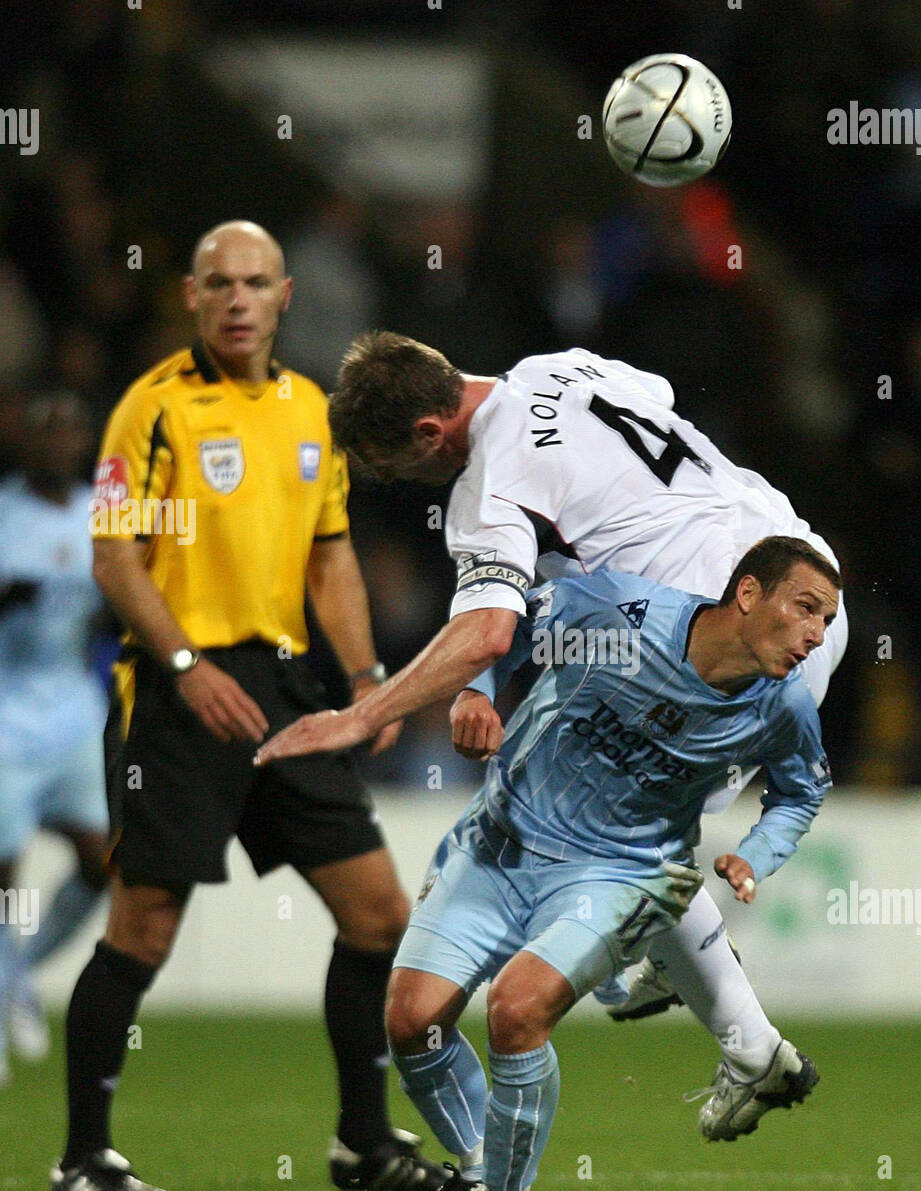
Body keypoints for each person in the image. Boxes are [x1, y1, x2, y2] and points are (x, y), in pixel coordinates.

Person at [255, 335, 849, 1128]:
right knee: (635, 834)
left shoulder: (488, 489)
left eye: (393, 468)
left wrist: (361, 714)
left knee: (597, 827)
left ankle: (725, 1025)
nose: (397, 484)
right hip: (799, 584)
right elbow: (652, 407)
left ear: (430, 433)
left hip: (719, 638)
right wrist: (477, 681)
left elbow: (492, 629)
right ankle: (716, 1011)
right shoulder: (558, 367)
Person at [52, 222, 444, 1191]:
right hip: (177, 697)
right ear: (191, 295)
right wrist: (185, 663)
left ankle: (363, 1139)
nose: (237, 298)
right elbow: (115, 557)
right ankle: (85, 1154)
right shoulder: (149, 410)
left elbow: (332, 553)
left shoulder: (312, 408)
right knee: (143, 926)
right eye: (220, 282)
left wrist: (366, 680)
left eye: (255, 282)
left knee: (378, 914)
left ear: (285, 295)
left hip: (286, 694)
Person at [387, 536, 839, 1191]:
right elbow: (501, 627)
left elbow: (799, 792)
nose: (817, 635)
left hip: (622, 872)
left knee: (516, 1006)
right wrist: (473, 690)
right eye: (806, 609)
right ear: (748, 594)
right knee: (412, 1022)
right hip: (503, 840)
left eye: (827, 620)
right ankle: (475, 1176)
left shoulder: (782, 705)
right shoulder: (618, 613)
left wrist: (753, 856)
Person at [0, 394, 109, 1083]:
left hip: (74, 710)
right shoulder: (5, 515)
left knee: (106, 862)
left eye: (69, 429)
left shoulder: (100, 515)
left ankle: (17, 977)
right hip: (7, 714)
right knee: (5, 878)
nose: (58, 441)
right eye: (46, 428)